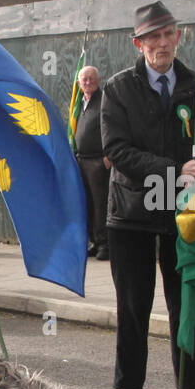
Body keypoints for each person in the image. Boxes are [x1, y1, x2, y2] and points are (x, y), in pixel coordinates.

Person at [101, 1, 195, 389]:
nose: (162, 43)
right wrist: (172, 169)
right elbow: (115, 150)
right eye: (153, 37)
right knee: (134, 305)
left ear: (179, 37)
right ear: (139, 43)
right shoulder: (118, 88)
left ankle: (192, 388)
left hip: (182, 213)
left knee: (183, 301)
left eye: (169, 34)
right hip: (131, 210)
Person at [74, 65, 110, 260]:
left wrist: (109, 155)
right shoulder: (79, 103)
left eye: (91, 79)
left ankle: (105, 244)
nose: (88, 82)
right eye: (84, 79)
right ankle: (94, 241)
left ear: (98, 80)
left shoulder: (105, 100)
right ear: (79, 83)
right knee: (86, 203)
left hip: (98, 161)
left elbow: (112, 126)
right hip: (81, 160)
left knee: (100, 204)